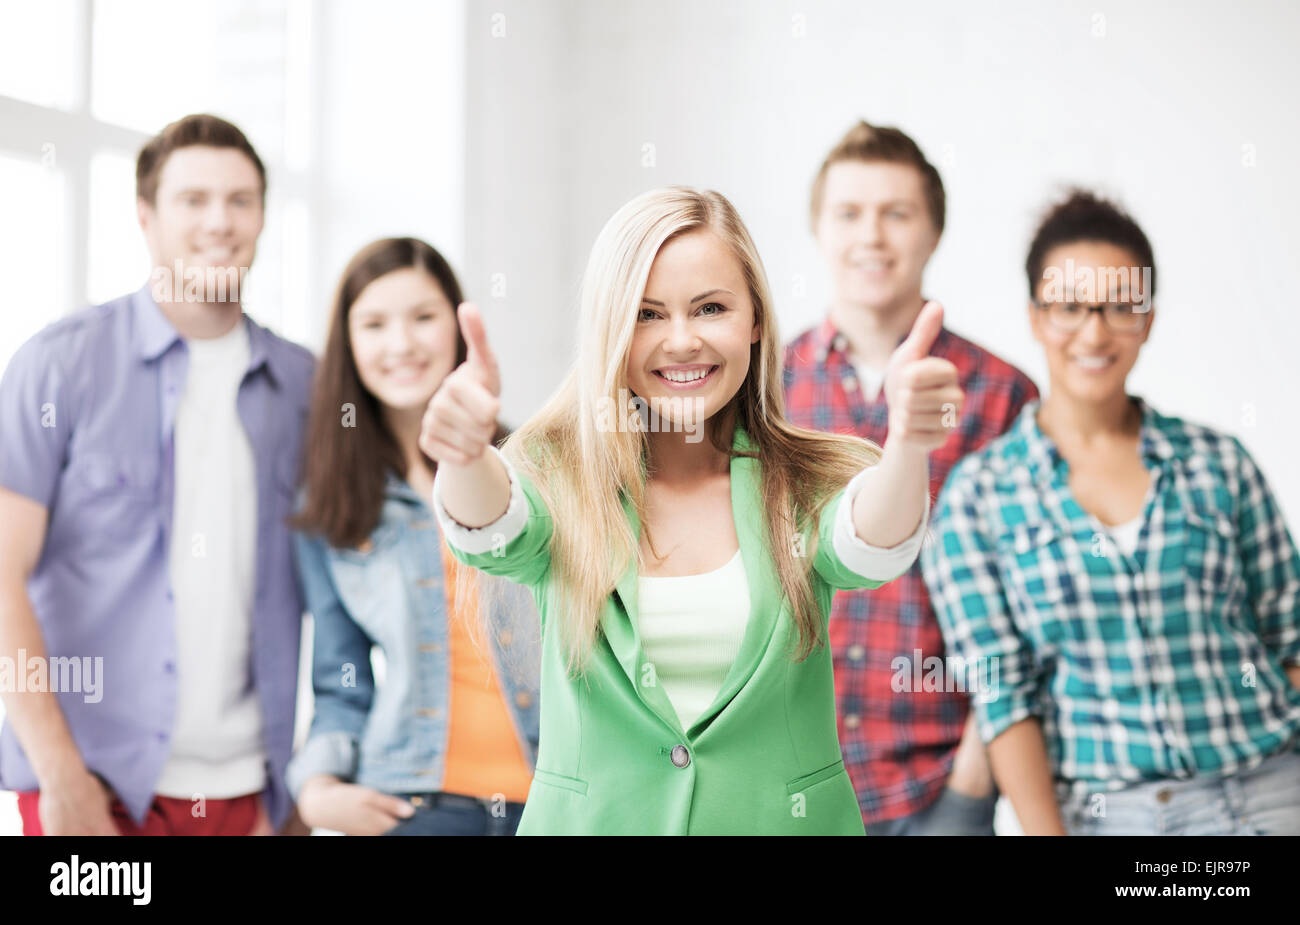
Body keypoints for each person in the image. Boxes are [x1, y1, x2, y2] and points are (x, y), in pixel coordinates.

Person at [419, 186, 961, 835]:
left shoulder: (796, 482)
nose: (681, 340)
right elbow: (492, 529)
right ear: (610, 328)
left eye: (710, 308)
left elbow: (870, 543)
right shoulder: (560, 475)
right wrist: (464, 455)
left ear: (755, 319)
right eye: (647, 314)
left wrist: (907, 444)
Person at [922, 189, 1300, 835]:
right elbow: (1004, 699)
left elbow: (1290, 633)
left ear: (1147, 318)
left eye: (1119, 306)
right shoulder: (979, 495)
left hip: (1268, 792)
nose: (1094, 332)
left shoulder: (1219, 461)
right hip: (1105, 816)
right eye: (1070, 307)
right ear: (1037, 317)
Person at [0, 113, 315, 835]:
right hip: (92, 785)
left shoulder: (305, 385)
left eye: (241, 200)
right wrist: (61, 777)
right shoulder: (61, 364)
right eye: (194, 200)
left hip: (251, 794)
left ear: (263, 216)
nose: (220, 222)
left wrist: (302, 782)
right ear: (146, 216)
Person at [783, 120, 1038, 834]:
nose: (872, 236)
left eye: (897, 213)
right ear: (819, 229)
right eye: (850, 213)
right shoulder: (765, 390)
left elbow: (1029, 611)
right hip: (787, 789)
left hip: (937, 794)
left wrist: (970, 783)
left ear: (932, 234)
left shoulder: (1000, 395)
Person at [286, 237, 541, 836]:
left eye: (423, 318)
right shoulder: (333, 506)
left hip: (553, 799)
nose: (400, 344)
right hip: (413, 807)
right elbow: (339, 681)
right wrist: (316, 787)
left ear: (457, 326)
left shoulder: (532, 467)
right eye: (374, 323)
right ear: (348, 344)